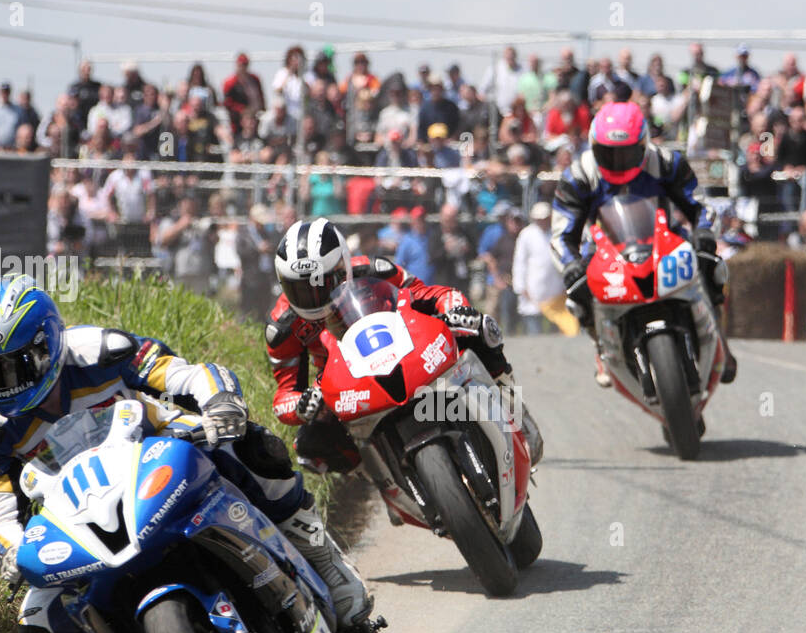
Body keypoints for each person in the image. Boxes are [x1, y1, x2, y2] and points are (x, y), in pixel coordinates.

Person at [0, 275, 371, 633]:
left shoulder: (102, 349)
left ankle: (320, 555)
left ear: (47, 344)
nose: (3, 385)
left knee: (252, 447)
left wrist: (220, 402)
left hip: (155, 448)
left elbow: (185, 374)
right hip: (77, 512)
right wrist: (12, 550)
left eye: (15, 366)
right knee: (39, 628)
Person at [264, 218, 541, 490]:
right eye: (301, 288)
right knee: (309, 445)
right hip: (344, 383)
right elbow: (283, 395)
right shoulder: (282, 328)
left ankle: (512, 404)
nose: (315, 297)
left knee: (476, 328)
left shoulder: (375, 269)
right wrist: (302, 405)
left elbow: (428, 294)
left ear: (343, 266)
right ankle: (382, 480)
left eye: (324, 283)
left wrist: (454, 309)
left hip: (405, 347)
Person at [550, 101, 736, 386]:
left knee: (711, 264)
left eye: (626, 153)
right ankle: (600, 343)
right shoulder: (578, 176)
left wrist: (705, 232)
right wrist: (570, 265)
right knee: (577, 292)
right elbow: (562, 234)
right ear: (593, 146)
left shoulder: (666, 162)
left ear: (643, 144)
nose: (617, 160)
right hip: (603, 250)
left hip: (665, 239)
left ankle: (720, 338)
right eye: (609, 153)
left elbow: (699, 205)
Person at [512, 202, 564, 335]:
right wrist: (521, 287)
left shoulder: (557, 232)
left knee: (556, 332)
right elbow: (520, 262)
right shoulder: (526, 234)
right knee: (534, 331)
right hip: (533, 290)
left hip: (555, 290)